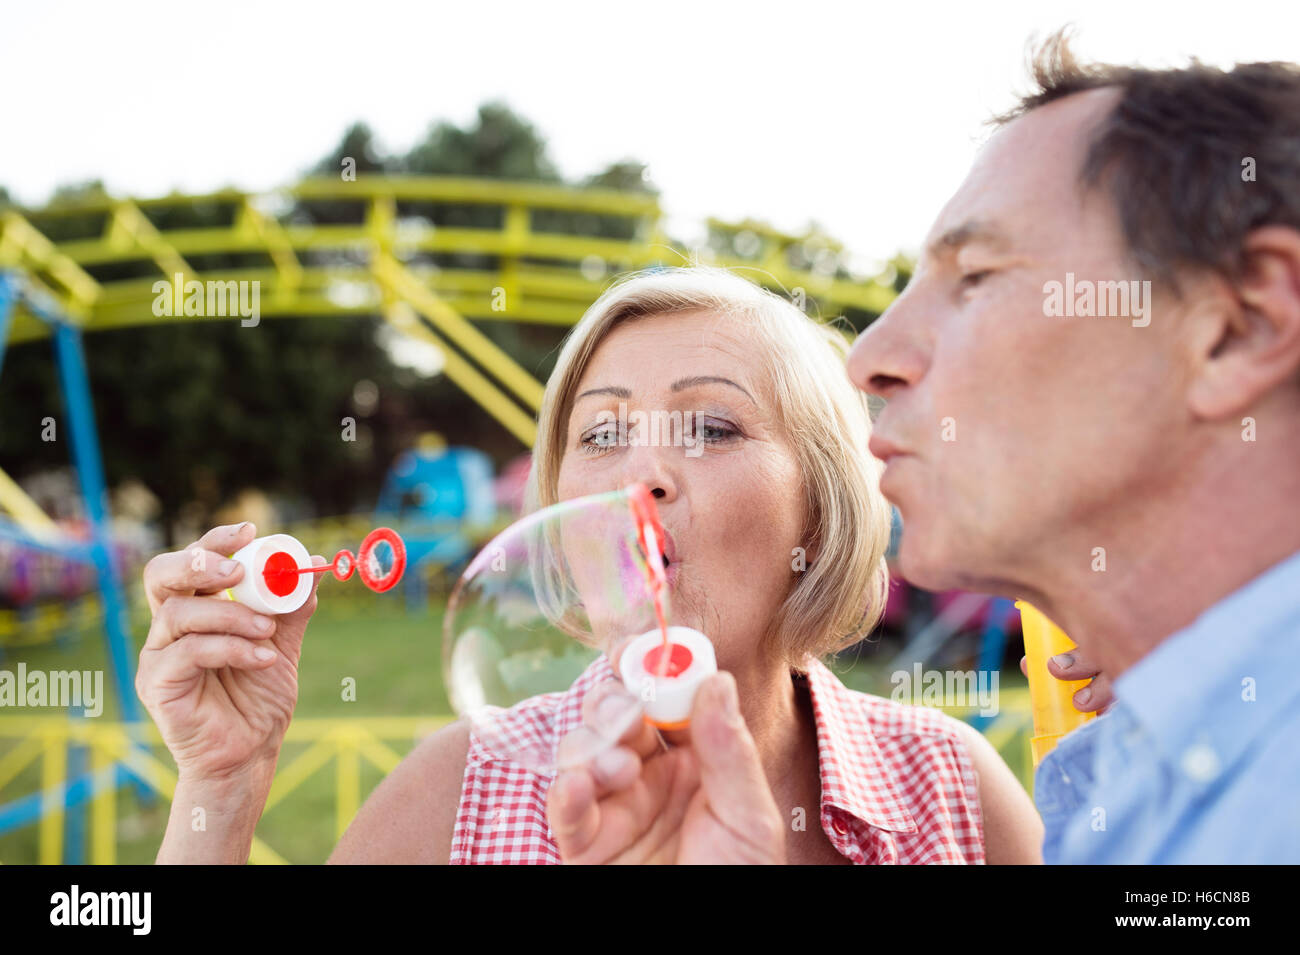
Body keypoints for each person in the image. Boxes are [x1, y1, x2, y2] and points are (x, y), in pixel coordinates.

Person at [550, 31, 1300, 864]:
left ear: (1240, 326)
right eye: (602, 433)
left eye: (975, 275)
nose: (868, 357)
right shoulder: (1142, 785)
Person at [137, 267, 1055, 865]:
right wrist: (223, 782)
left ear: (822, 499)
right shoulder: (455, 797)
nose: (641, 474)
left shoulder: (950, 794)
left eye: (710, 426)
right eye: (604, 432)